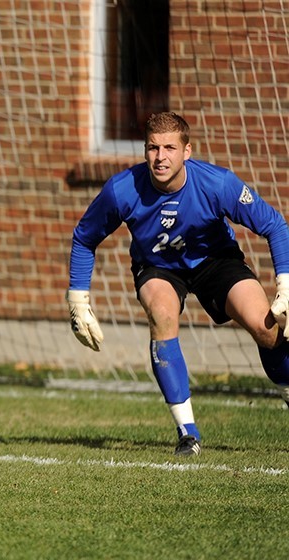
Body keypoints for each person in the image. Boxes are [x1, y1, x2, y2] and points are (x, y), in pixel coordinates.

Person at [67, 111, 289, 456]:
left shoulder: (218, 184)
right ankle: (188, 434)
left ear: (187, 151)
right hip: (157, 266)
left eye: (170, 148)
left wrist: (285, 285)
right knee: (161, 312)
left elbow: (274, 225)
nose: (160, 157)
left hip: (215, 260)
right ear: (145, 150)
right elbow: (84, 237)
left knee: (267, 327)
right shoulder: (121, 190)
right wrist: (78, 302)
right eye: (153, 148)